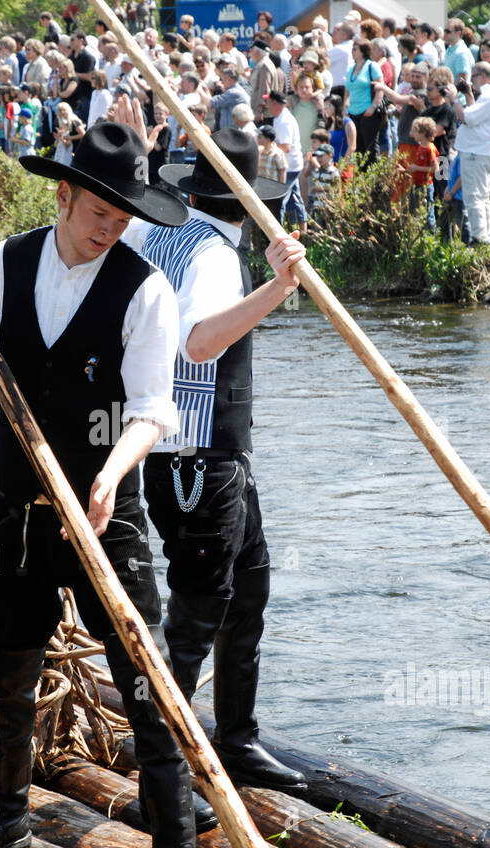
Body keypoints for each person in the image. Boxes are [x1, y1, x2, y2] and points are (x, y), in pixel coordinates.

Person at [0, 122, 198, 848]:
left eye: (122, 221)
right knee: (8, 672)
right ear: (64, 193)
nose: (109, 231)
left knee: (148, 685)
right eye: (98, 215)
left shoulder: (143, 289)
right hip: (21, 507)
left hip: (103, 510)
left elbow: (153, 408)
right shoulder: (10, 260)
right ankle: (5, 822)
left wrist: (112, 475)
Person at [124, 126, 307, 797]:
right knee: (197, 617)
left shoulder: (156, 234)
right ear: (245, 204)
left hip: (199, 454)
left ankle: (237, 738)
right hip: (197, 455)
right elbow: (199, 343)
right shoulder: (213, 255)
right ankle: (162, 775)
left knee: (249, 583)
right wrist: (277, 291)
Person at [454, 63, 490, 244]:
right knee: (482, 196)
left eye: (474, 76)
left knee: (473, 197)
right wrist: (468, 95)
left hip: (477, 152)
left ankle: (479, 237)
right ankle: (486, 237)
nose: (472, 80)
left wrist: (454, 100)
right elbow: (474, 114)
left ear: (483, 77)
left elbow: (467, 118)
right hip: (481, 151)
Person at [264, 90, 305, 227]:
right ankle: (303, 231)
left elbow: (286, 147)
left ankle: (278, 234)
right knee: (295, 199)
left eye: (268, 102)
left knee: (280, 200)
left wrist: (268, 146)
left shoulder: (284, 121)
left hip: (289, 166)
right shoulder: (279, 118)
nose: (266, 105)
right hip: (290, 165)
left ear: (275, 103)